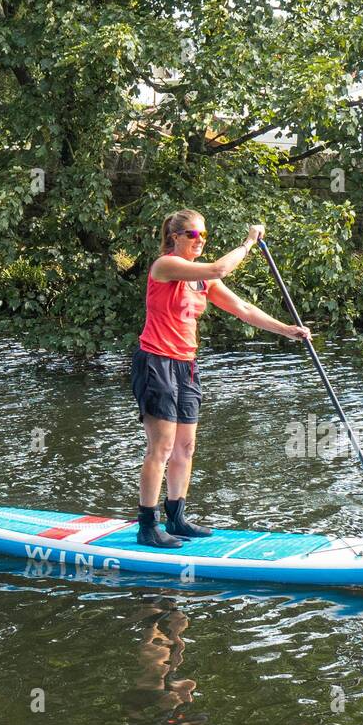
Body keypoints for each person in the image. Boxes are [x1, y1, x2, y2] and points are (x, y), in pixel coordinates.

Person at [131, 210, 311, 547]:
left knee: (186, 446)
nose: (198, 241)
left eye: (203, 236)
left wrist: (287, 330)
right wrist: (248, 243)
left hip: (186, 364)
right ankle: (146, 526)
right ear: (175, 237)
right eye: (192, 235)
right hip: (156, 361)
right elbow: (219, 267)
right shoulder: (165, 266)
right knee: (163, 447)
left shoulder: (203, 281)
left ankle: (177, 518)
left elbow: (243, 308)